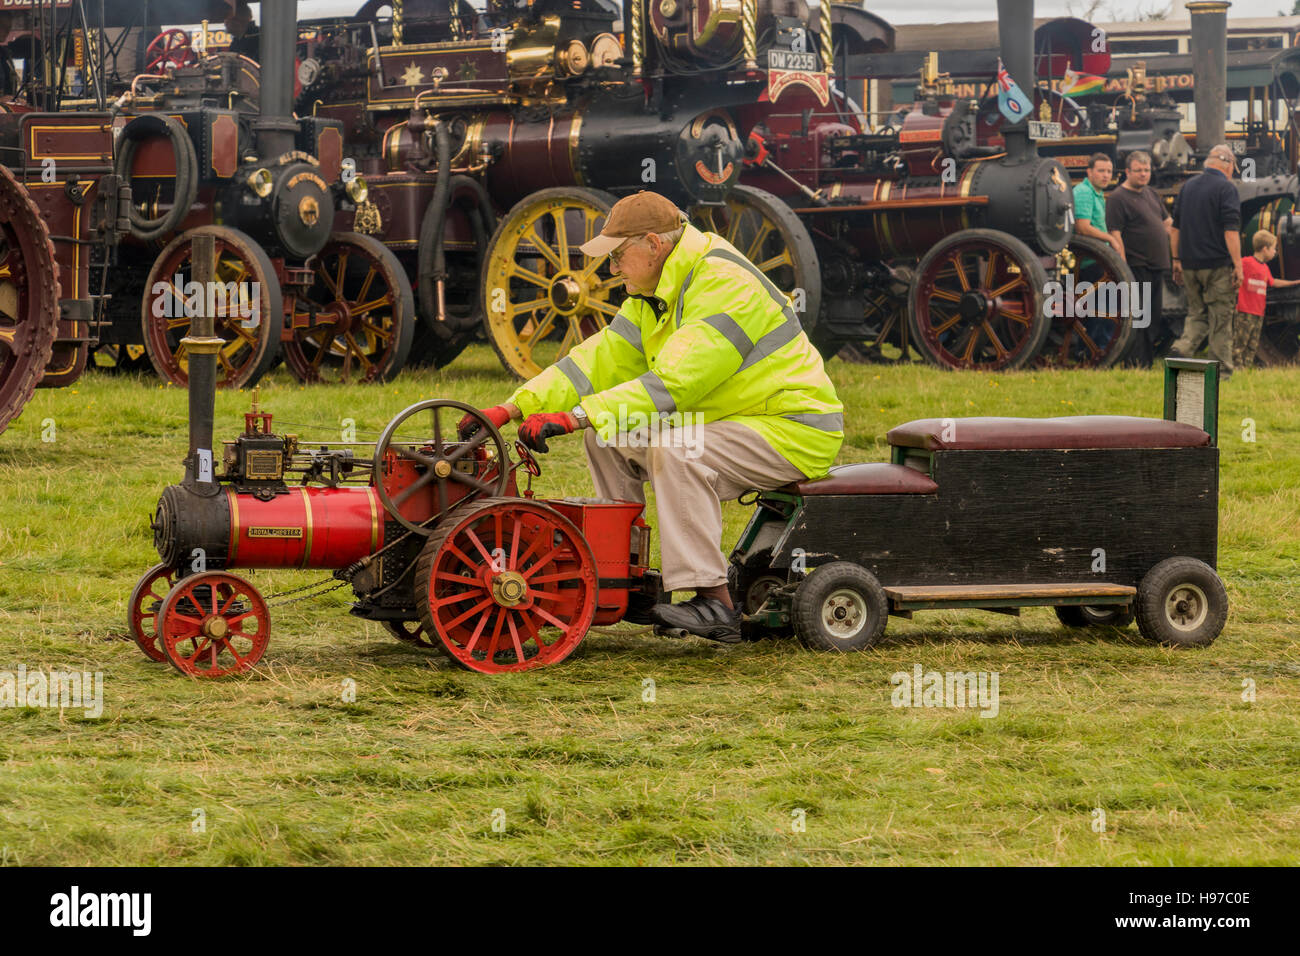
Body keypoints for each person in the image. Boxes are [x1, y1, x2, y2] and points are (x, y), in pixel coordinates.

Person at [461, 190, 844, 644]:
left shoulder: (723, 283)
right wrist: (514, 406)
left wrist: (579, 415)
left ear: (653, 244)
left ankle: (715, 601)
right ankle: (627, 576)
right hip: (737, 420)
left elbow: (674, 384)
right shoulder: (656, 289)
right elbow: (595, 360)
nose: (613, 268)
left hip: (793, 428)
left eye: (619, 255)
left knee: (677, 452)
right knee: (607, 439)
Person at [1169, 144, 1243, 377]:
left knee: (1196, 314)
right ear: (1228, 164)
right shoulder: (1226, 188)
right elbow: (1230, 231)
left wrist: (1176, 260)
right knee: (1220, 317)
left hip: (1189, 264)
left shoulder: (1187, 187)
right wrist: (1238, 265)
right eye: (1233, 167)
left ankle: (1180, 351)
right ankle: (1222, 373)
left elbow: (1175, 228)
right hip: (1217, 265)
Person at [1107, 150, 1174, 366]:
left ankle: (1145, 360)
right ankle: (1136, 362)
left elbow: (1166, 222)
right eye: (1138, 171)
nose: (1143, 174)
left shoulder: (1151, 194)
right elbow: (1115, 234)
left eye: (1146, 170)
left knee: (1153, 317)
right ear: (1127, 171)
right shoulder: (1118, 198)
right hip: (1137, 265)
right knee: (1139, 317)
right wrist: (1123, 267)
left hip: (1157, 264)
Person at [1234, 229, 1298, 369]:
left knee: (1252, 344)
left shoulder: (1264, 268)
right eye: (1274, 249)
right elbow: (1234, 273)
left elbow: (1273, 282)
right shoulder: (1245, 262)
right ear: (1264, 249)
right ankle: (1236, 371)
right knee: (1240, 344)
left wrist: (1293, 283)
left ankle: (1244, 369)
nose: (1275, 252)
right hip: (1245, 312)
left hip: (1258, 313)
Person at [1073, 153, 1122, 258]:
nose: (1106, 175)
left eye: (1109, 171)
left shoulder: (1098, 193)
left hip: (1098, 257)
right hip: (1085, 263)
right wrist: (1110, 239)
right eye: (1101, 171)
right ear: (1089, 172)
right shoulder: (1084, 191)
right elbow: (1082, 228)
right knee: (1068, 275)